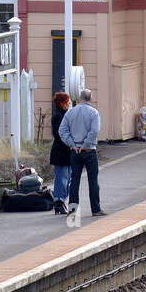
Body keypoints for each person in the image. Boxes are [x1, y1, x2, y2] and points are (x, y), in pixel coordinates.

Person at [58, 88, 106, 216]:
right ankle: (95, 209)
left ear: (80, 98)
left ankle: (73, 209)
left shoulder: (70, 113)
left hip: (75, 151)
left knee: (74, 181)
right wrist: (86, 144)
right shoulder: (94, 113)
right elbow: (94, 131)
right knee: (93, 181)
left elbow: (62, 131)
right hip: (89, 150)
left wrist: (72, 144)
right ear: (91, 99)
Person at [49, 90, 72, 214]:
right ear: (62, 103)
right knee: (62, 178)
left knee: (67, 178)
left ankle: (61, 201)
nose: (68, 104)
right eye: (67, 102)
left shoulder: (64, 115)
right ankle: (59, 201)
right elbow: (59, 135)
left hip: (65, 152)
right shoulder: (59, 117)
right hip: (61, 152)